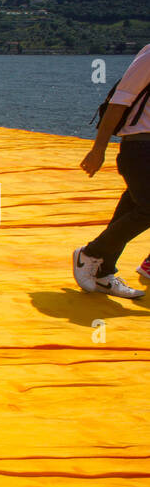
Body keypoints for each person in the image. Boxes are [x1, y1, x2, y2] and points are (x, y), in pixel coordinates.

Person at [72, 44, 150, 299]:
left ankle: (104, 273)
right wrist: (98, 149)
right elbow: (119, 102)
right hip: (139, 147)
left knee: (128, 210)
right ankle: (90, 253)